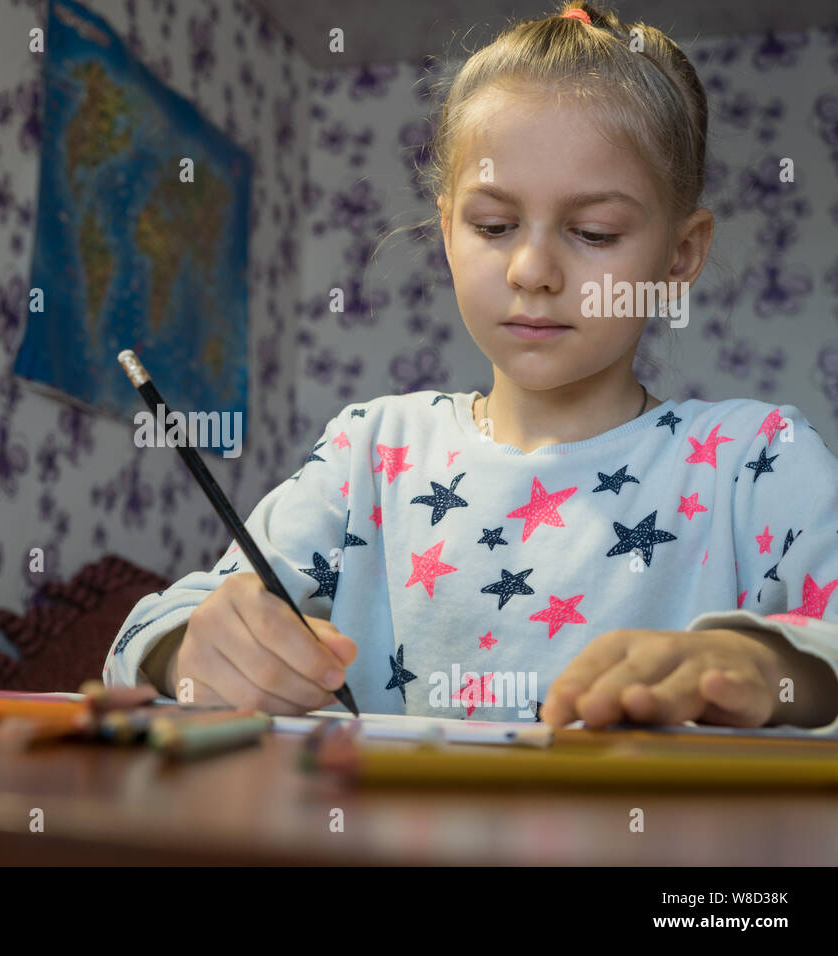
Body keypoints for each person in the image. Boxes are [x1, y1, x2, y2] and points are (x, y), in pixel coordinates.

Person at [103, 3, 838, 734]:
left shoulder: (754, 460)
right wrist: (188, 650)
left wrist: (768, 669)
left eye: (594, 232)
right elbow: (147, 636)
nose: (532, 269)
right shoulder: (373, 451)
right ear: (448, 231)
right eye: (493, 226)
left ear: (678, 256)